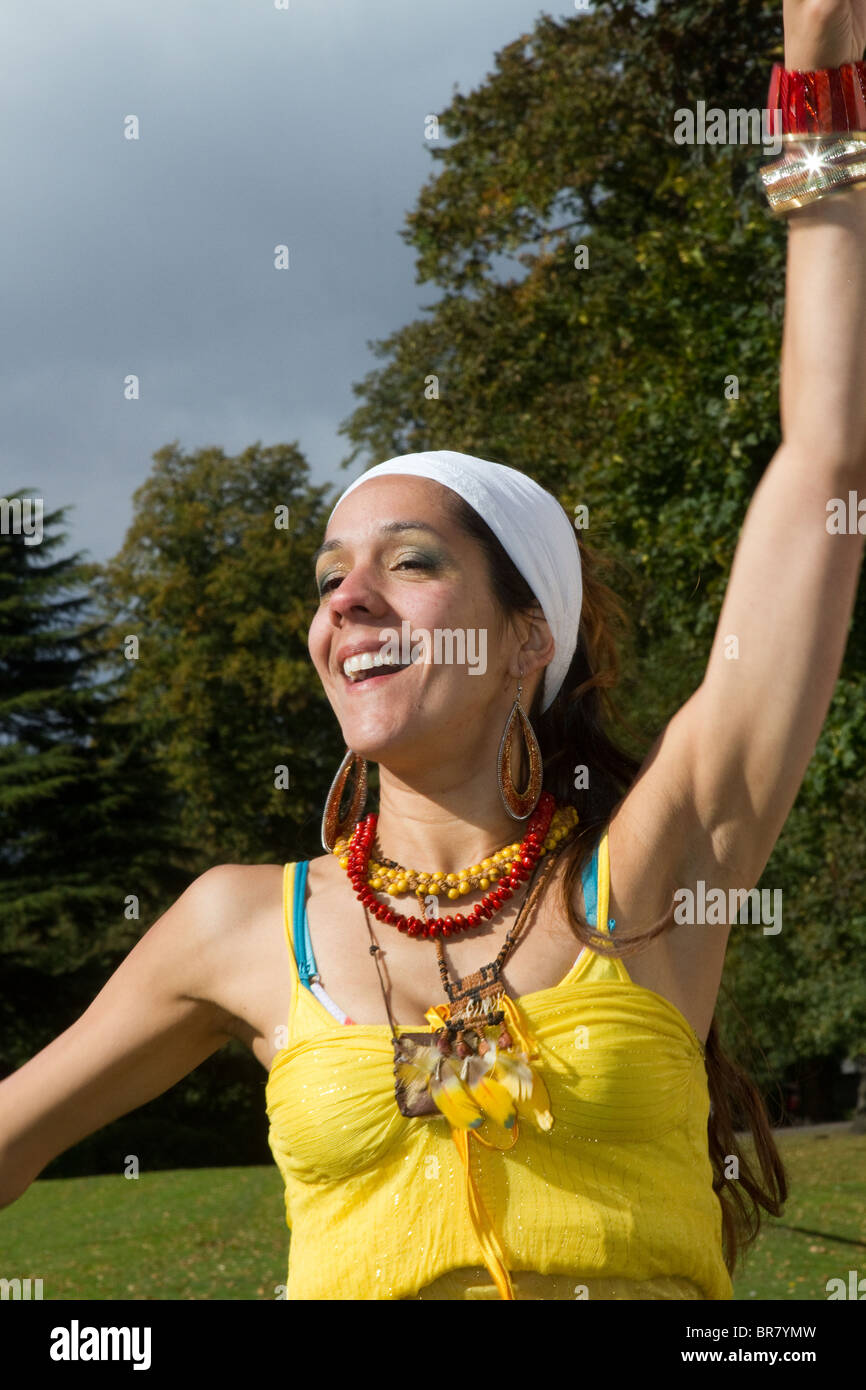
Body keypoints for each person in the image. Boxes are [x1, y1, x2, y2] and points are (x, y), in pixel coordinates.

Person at [2, 0, 866, 1301]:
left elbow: (823, 469)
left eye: (407, 562)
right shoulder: (242, 924)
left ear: (528, 639)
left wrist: (817, 100)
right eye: (329, 574)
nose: (346, 603)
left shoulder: (659, 867)